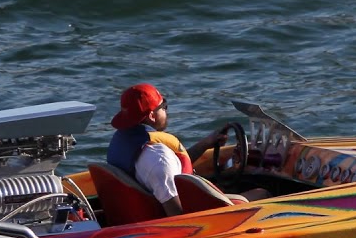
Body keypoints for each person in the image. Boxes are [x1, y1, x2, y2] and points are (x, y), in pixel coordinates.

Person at [107, 83, 268, 216]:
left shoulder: (126, 142)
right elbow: (178, 217)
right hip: (198, 221)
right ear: (151, 116)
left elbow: (170, 170)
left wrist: (206, 144)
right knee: (262, 194)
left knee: (227, 187)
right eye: (164, 106)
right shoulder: (159, 159)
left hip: (139, 211)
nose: (166, 110)